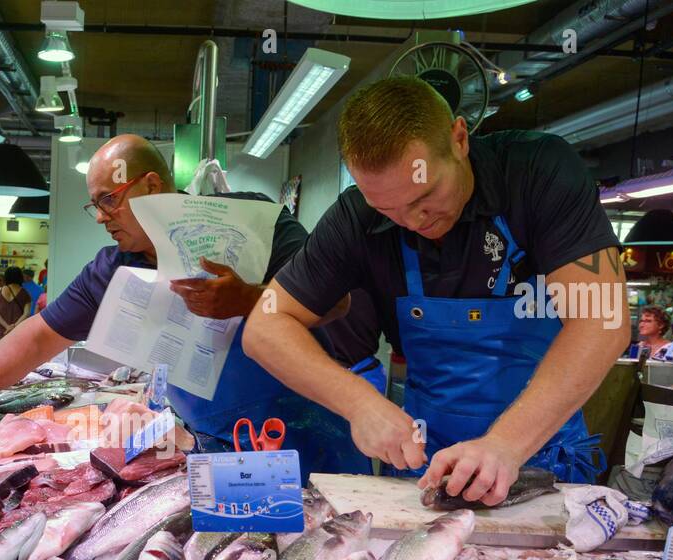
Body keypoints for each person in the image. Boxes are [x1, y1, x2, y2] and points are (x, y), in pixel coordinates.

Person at [243, 76, 629, 503]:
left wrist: (505, 445)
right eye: (387, 208)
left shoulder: (538, 173)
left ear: (459, 138)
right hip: (427, 467)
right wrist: (359, 403)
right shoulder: (355, 217)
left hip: (542, 460)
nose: (412, 221)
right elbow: (265, 326)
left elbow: (603, 319)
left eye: (425, 196)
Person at [0, 134, 375, 477]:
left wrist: (251, 300)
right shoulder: (113, 267)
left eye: (108, 200)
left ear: (152, 185)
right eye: (93, 205)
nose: (99, 217)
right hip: (214, 446)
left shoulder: (251, 221)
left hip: (308, 434)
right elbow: (38, 335)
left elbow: (336, 302)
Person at [0, 266, 32, 346]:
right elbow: (26, 313)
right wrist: (14, 327)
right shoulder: (25, 294)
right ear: (20, 277)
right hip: (18, 330)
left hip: (1, 330)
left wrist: (7, 326)